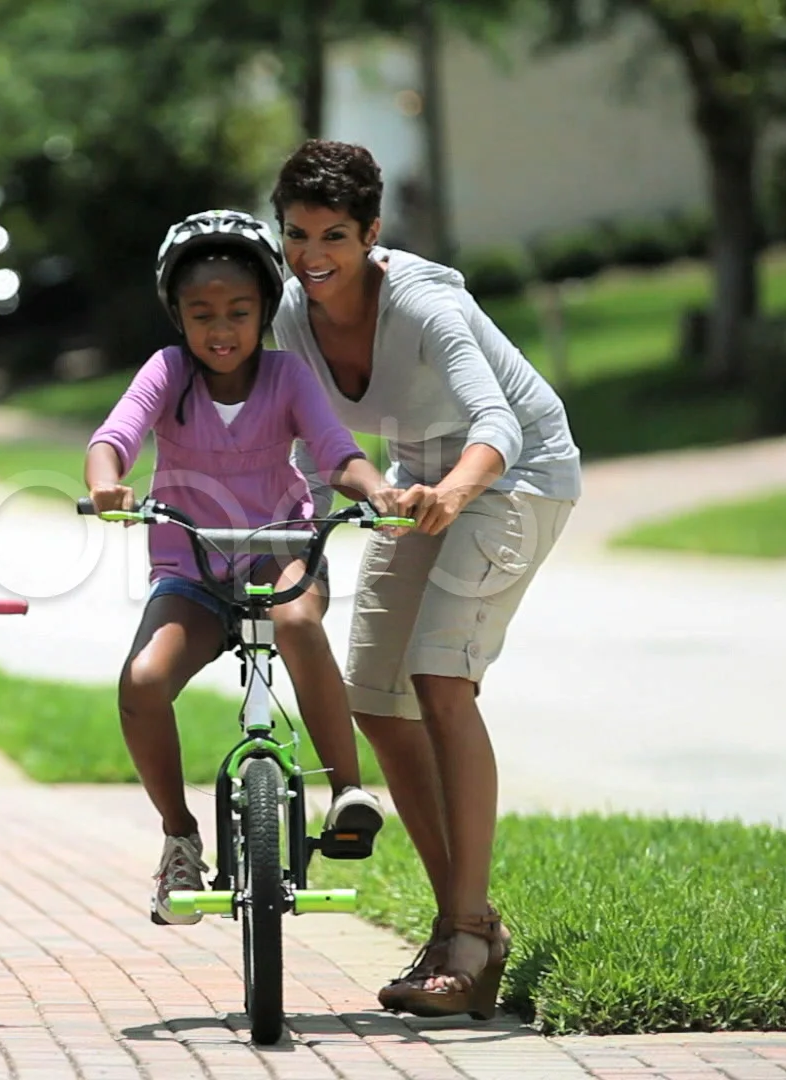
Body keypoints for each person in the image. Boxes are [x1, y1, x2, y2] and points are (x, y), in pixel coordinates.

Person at [270, 139, 584, 1019]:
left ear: (372, 234)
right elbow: (310, 442)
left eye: (335, 235)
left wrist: (450, 493)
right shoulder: (294, 311)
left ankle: (470, 938)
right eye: (296, 234)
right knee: (376, 695)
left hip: (513, 476)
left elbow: (500, 424)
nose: (314, 256)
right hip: (414, 481)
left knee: (441, 679)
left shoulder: (424, 301)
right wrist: (323, 520)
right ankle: (465, 923)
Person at [84, 209, 397, 926]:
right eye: (201, 315)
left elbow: (335, 450)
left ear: (266, 310)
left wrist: (377, 491)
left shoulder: (286, 376)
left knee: (297, 621)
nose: (220, 330)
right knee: (142, 681)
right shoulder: (168, 372)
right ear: (177, 316)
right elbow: (117, 435)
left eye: (238, 312)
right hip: (192, 568)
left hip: (281, 550)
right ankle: (179, 837)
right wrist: (107, 480)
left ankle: (347, 793)